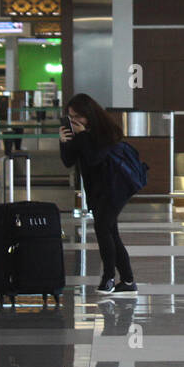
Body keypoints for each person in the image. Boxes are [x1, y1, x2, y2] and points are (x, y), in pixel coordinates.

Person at [60, 93, 136, 295]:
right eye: (71, 116)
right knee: (111, 233)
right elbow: (68, 161)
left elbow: (94, 158)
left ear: (89, 114)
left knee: (103, 229)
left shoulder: (106, 132)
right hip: (95, 190)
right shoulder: (79, 133)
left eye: (78, 116)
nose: (74, 121)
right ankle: (127, 280)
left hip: (115, 188)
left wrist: (83, 135)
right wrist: (64, 141)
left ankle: (108, 278)